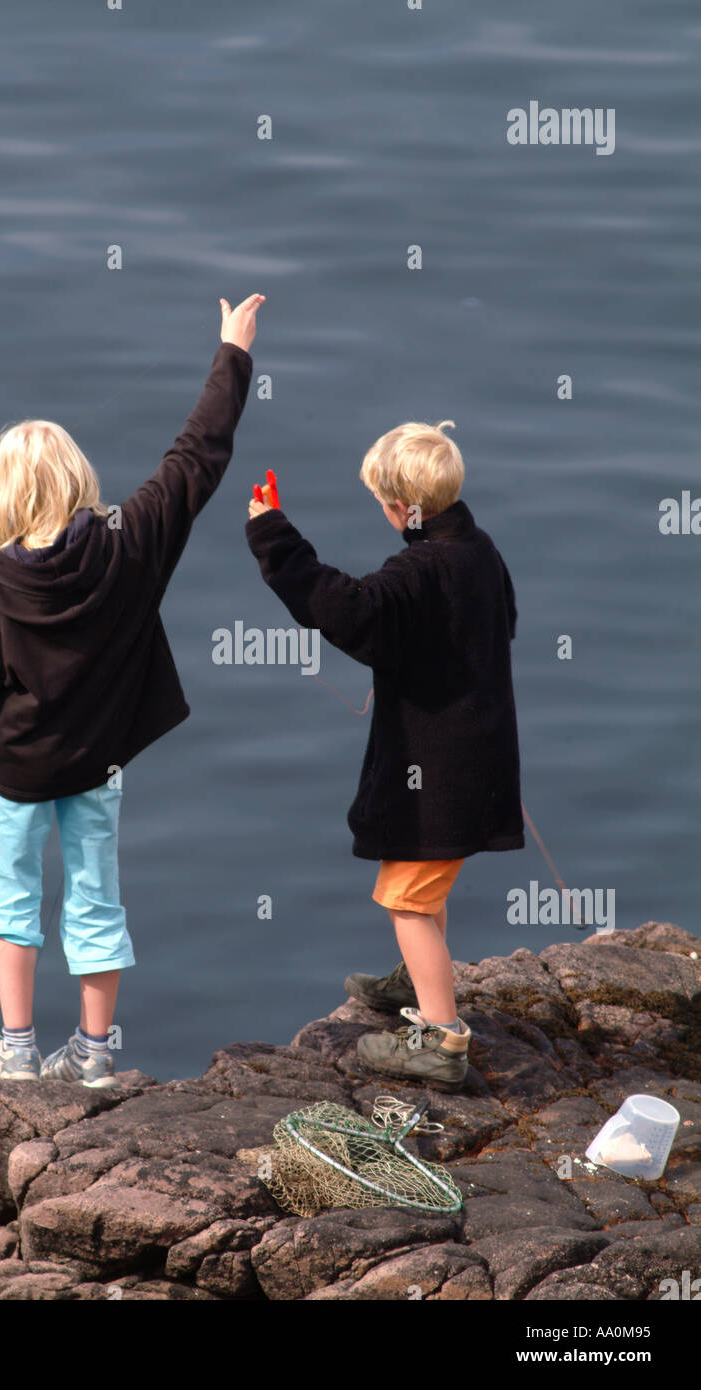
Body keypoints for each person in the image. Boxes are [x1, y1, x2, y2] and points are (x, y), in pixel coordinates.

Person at [0, 293, 264, 1086]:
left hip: (19, 772)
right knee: (97, 900)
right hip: (99, 765)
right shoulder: (132, 541)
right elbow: (197, 455)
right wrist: (232, 349)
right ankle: (95, 1054)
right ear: (78, 476)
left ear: (5, 493)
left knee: (10, 902)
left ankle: (14, 1050)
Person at [245, 417, 523, 1089]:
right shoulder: (478, 550)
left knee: (407, 899)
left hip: (441, 772)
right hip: (479, 757)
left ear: (405, 508)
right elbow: (504, 618)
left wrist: (273, 535)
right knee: (426, 880)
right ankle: (419, 977)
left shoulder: (419, 570)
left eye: (382, 502)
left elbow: (350, 610)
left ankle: (441, 1039)